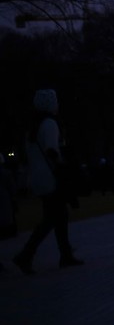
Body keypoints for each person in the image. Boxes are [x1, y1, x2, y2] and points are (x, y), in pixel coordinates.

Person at [13, 89, 84, 274]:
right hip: (51, 176)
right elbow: (52, 149)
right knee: (53, 218)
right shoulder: (50, 123)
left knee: (57, 216)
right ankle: (26, 254)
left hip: (37, 177)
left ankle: (64, 253)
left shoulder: (32, 127)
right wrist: (63, 165)